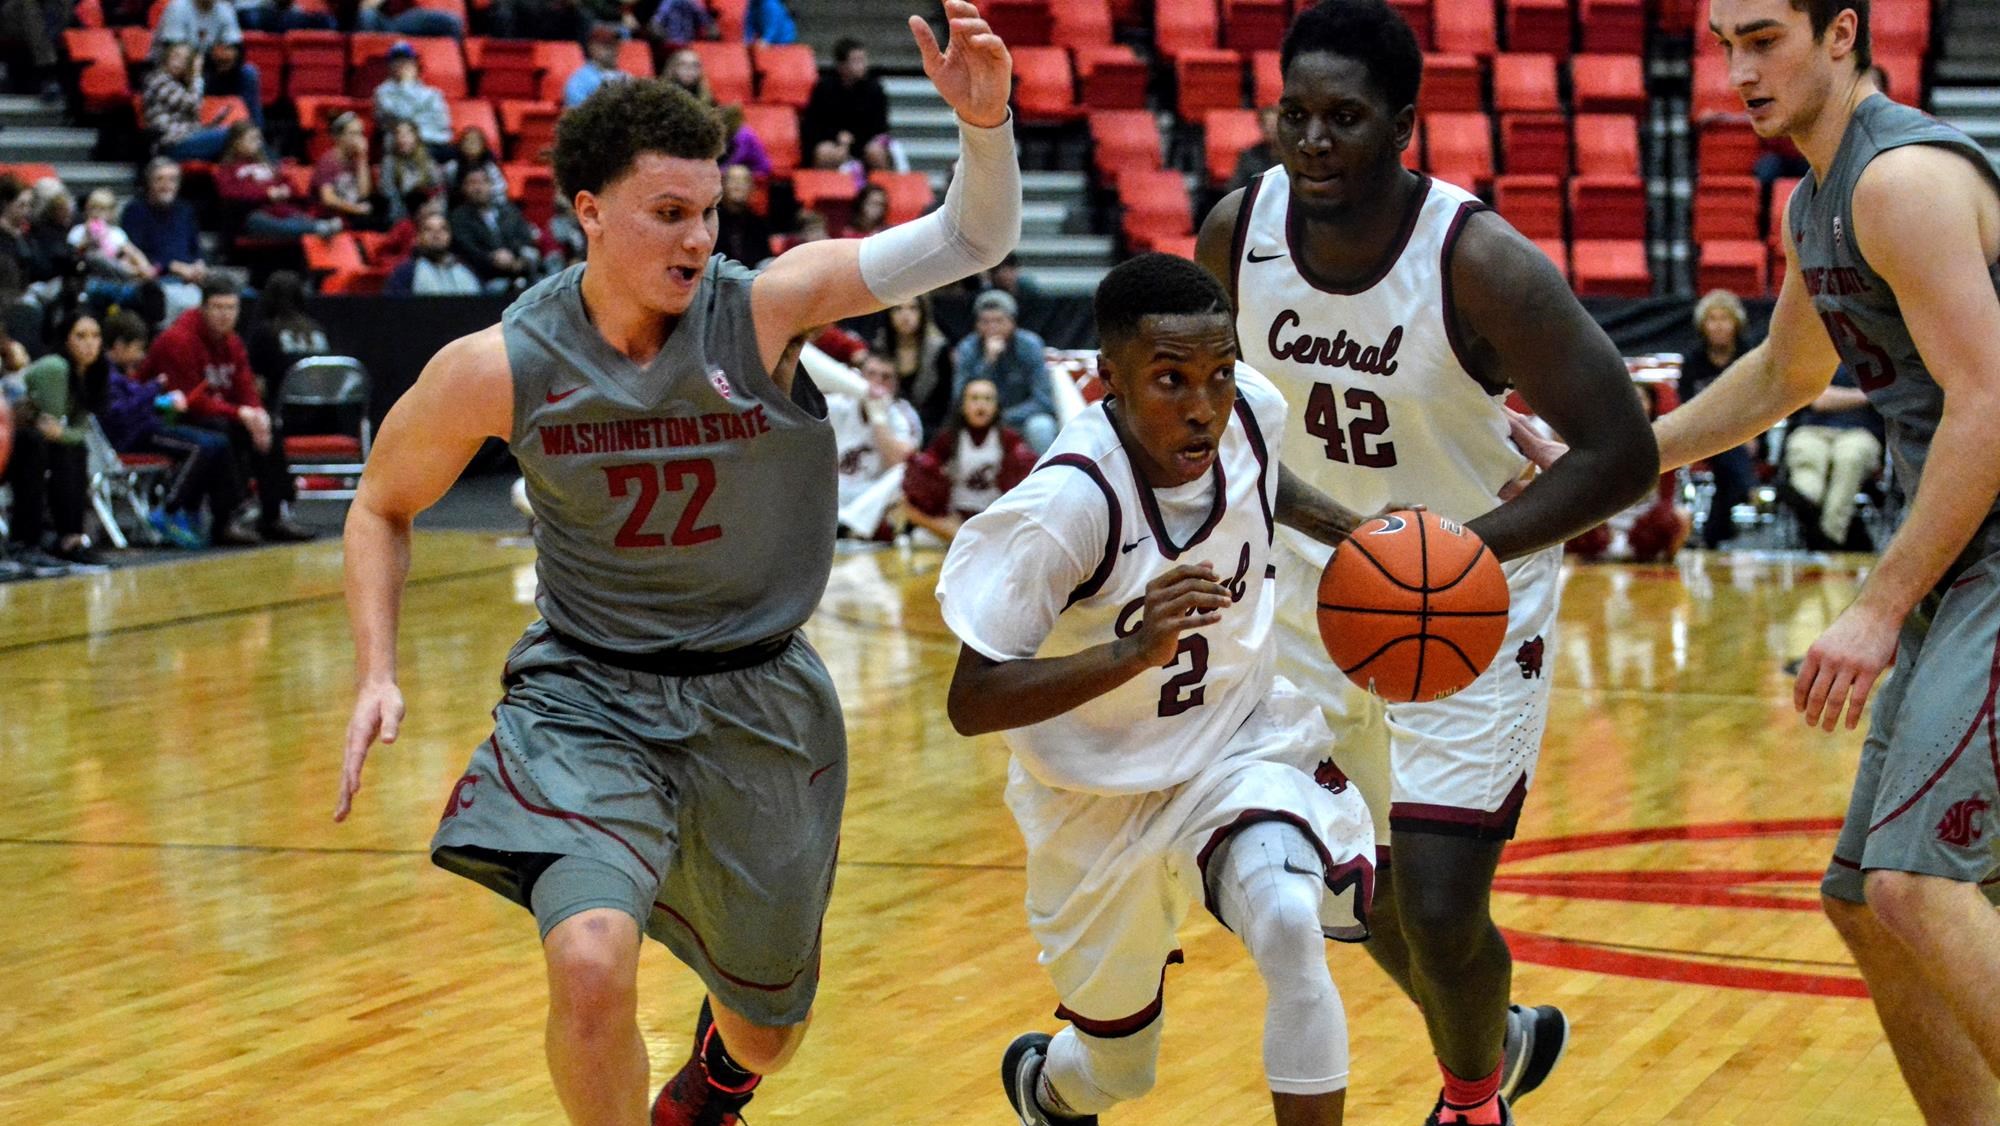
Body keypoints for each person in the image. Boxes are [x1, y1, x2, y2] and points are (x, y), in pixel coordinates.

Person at [332, 5, 1019, 1121]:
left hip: (758, 702)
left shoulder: (761, 314)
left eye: (709, 211)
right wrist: (375, 668)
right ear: (589, 213)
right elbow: (379, 505)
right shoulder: (497, 364)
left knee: (770, 1028)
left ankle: (714, 1078)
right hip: (586, 699)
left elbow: (965, 242)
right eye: (667, 214)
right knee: (592, 963)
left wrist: (984, 130)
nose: (697, 239)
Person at [1193, 3, 1658, 1123]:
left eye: (1343, 118)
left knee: (1442, 906)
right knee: (1347, 893)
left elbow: (1623, 449)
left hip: (1467, 607)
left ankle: (1468, 1096)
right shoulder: (1233, 232)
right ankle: (1489, 1035)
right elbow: (1210, 406)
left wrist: (1451, 555)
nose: (1311, 140)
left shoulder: (1479, 260)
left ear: (1403, 123)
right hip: (1306, 595)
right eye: (1292, 113)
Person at [1645, 10, 2000, 1119]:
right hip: (1963, 552)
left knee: (1915, 880)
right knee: (1861, 894)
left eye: (1763, 39)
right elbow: (1778, 376)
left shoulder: (1898, 181)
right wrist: (1613, 461)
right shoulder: (1814, 198)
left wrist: (1875, 604)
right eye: (1720, 43)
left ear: (1839, 32)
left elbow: (1991, 400)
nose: (1737, 71)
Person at [936, 253, 1375, 1126]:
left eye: (1217, 374)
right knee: (1118, 1071)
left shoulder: (1248, 410)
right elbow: (971, 700)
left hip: (1233, 743)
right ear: (1110, 379)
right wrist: (1132, 652)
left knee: (1290, 927)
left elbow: (1262, 475)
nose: (1203, 405)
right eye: (1170, 380)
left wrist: (1359, 535)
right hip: (1094, 800)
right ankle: (1050, 1089)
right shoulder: (1068, 504)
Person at [138, 276, 315, 542]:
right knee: (223, 430)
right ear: (203, 308)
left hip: (210, 413)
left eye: (231, 308)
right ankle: (226, 518)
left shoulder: (232, 342)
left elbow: (245, 387)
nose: (224, 315)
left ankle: (274, 514)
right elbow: (190, 399)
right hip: (166, 417)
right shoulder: (178, 339)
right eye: (218, 307)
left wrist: (256, 413)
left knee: (268, 426)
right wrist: (239, 413)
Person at [95, 309, 250, 547]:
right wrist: (154, 390)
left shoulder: (117, 373)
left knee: (217, 441)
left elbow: (133, 401)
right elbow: (119, 414)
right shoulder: (104, 374)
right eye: (137, 348)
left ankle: (203, 511)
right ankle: (169, 508)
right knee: (202, 447)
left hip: (144, 429)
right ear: (119, 345)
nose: (140, 355)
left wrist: (160, 401)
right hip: (130, 437)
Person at [14, 314, 106, 567]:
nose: (90, 343)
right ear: (65, 341)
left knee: (74, 449)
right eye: (81, 336)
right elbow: (49, 427)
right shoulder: (56, 368)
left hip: (32, 441)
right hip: (14, 438)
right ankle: (40, 539)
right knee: (63, 452)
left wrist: (65, 434)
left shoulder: (93, 372)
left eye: (95, 336)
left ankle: (71, 537)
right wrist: (65, 434)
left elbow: (76, 428)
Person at [901, 377, 1033, 543]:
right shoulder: (948, 439)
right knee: (920, 538)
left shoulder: (1009, 439)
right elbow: (925, 475)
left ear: (996, 406)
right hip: (955, 518)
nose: (981, 405)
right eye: (974, 398)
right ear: (963, 405)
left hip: (993, 518)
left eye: (987, 399)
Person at [1680, 289, 1759, 547]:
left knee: (1729, 457)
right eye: (1712, 319)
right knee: (1727, 447)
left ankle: (1713, 535)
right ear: (1703, 325)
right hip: (1703, 434)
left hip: (1751, 434)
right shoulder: (1693, 361)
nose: (1718, 325)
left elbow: (1763, 402)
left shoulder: (1750, 356)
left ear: (1736, 323)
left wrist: (1753, 433)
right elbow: (1687, 407)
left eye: (1724, 318)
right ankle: (1750, 488)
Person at [1780, 363, 1884, 551]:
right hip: (1813, 430)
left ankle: (1829, 536)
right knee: (1806, 452)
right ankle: (1806, 500)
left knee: (1849, 458)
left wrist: (1835, 397)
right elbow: (1820, 399)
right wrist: (1866, 395)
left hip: (1860, 432)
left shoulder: (1879, 354)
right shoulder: (1816, 350)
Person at [829, 349, 919, 539]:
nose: (876, 382)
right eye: (871, 374)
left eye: (885, 377)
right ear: (860, 376)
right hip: (831, 491)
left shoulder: (904, 415)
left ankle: (847, 525)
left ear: (895, 385)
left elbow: (899, 462)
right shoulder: (838, 404)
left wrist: (878, 417)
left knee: (907, 472)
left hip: (869, 497)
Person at [953, 288, 1055, 452]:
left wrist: (1002, 417)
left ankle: (1048, 476)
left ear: (1012, 322)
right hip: (979, 419)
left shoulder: (1030, 345)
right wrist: (987, 361)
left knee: (1041, 427)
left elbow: (1043, 400)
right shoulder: (967, 348)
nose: (992, 327)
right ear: (976, 324)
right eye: (985, 321)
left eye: (999, 320)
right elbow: (960, 398)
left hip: (1021, 418)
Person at [122, 159, 208, 324]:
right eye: (160, 179)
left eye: (172, 179)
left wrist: (199, 264)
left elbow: (195, 248)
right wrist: (172, 267)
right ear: (149, 182)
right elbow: (133, 254)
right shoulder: (135, 211)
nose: (166, 185)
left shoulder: (186, 210)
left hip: (190, 279)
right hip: (156, 281)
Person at [802, 38, 893, 172]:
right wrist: (838, 137)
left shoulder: (875, 89)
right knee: (823, 152)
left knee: (876, 152)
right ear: (841, 65)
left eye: (863, 60)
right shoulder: (824, 88)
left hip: (863, 142)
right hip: (832, 141)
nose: (862, 65)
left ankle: (879, 191)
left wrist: (856, 140)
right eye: (856, 61)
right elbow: (814, 124)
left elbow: (880, 126)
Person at [449, 166, 544, 290]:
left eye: (483, 182)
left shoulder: (510, 211)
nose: (478, 188)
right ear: (463, 188)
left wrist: (517, 260)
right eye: (472, 183)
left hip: (520, 269)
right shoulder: (458, 217)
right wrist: (492, 258)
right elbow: (467, 249)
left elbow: (525, 239)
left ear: (491, 185)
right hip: (484, 277)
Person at [873, 293, 951, 438]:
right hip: (885, 420)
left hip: (929, 427)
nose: (905, 315)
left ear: (923, 313)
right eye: (898, 309)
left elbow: (943, 402)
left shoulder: (938, 349)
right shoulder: (879, 346)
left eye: (913, 308)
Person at [143, 43, 233, 161]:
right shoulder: (158, 80)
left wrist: (213, 123)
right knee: (233, 136)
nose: (179, 62)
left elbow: (189, 123)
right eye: (176, 56)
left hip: (185, 138)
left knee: (243, 134)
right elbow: (191, 104)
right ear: (167, 57)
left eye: (185, 59)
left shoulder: (180, 85)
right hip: (170, 144)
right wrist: (196, 75)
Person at [373, 43, 455, 159]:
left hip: (434, 143)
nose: (401, 65)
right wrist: (405, 85)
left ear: (415, 63)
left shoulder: (433, 93)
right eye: (396, 61)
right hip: (403, 147)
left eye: (406, 60)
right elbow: (403, 116)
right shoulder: (382, 93)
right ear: (390, 66)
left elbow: (443, 124)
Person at [314, 112, 389, 232]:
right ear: (339, 137)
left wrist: (362, 158)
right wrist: (356, 209)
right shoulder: (328, 162)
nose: (359, 138)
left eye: (361, 133)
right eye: (353, 134)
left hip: (354, 213)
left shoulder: (357, 160)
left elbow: (364, 194)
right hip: (332, 217)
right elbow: (328, 198)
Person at [386, 210, 482, 295]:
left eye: (443, 229)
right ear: (418, 237)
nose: (436, 234)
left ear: (450, 236)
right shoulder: (406, 273)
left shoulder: (466, 270)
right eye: (428, 230)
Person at [380, 118, 450, 222]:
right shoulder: (389, 163)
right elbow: (389, 196)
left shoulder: (427, 161)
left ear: (416, 137)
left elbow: (440, 191)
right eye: (399, 134)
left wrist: (436, 212)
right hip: (402, 216)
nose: (403, 138)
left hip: (430, 214)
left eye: (408, 133)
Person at [714, 163, 773, 267]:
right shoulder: (710, 218)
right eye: (733, 180)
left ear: (752, 188)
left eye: (744, 181)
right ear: (722, 186)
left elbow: (764, 257)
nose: (738, 185)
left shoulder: (759, 223)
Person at [563, 24, 631, 109]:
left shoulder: (625, 76)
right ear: (592, 48)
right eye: (607, 46)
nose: (613, 50)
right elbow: (579, 115)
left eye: (615, 45)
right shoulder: (580, 80)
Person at [1226, 105, 1282, 194]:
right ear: (1260, 127)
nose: (1270, 129)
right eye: (1266, 125)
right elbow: (1236, 187)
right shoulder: (1249, 154)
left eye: (1273, 125)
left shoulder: (1295, 154)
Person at [446, 126, 506, 203]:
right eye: (467, 141)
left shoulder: (490, 167)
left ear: (483, 146)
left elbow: (499, 192)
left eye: (476, 141)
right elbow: (445, 191)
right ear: (460, 145)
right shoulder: (452, 167)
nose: (471, 144)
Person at [717, 104, 773, 178]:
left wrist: (723, 169)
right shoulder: (732, 133)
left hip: (759, 169)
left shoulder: (743, 134)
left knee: (734, 174)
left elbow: (739, 156)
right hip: (747, 167)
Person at [648, 0, 716, 47]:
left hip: (688, 40)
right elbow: (657, 20)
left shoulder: (693, 3)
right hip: (670, 40)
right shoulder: (668, 2)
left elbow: (705, 20)